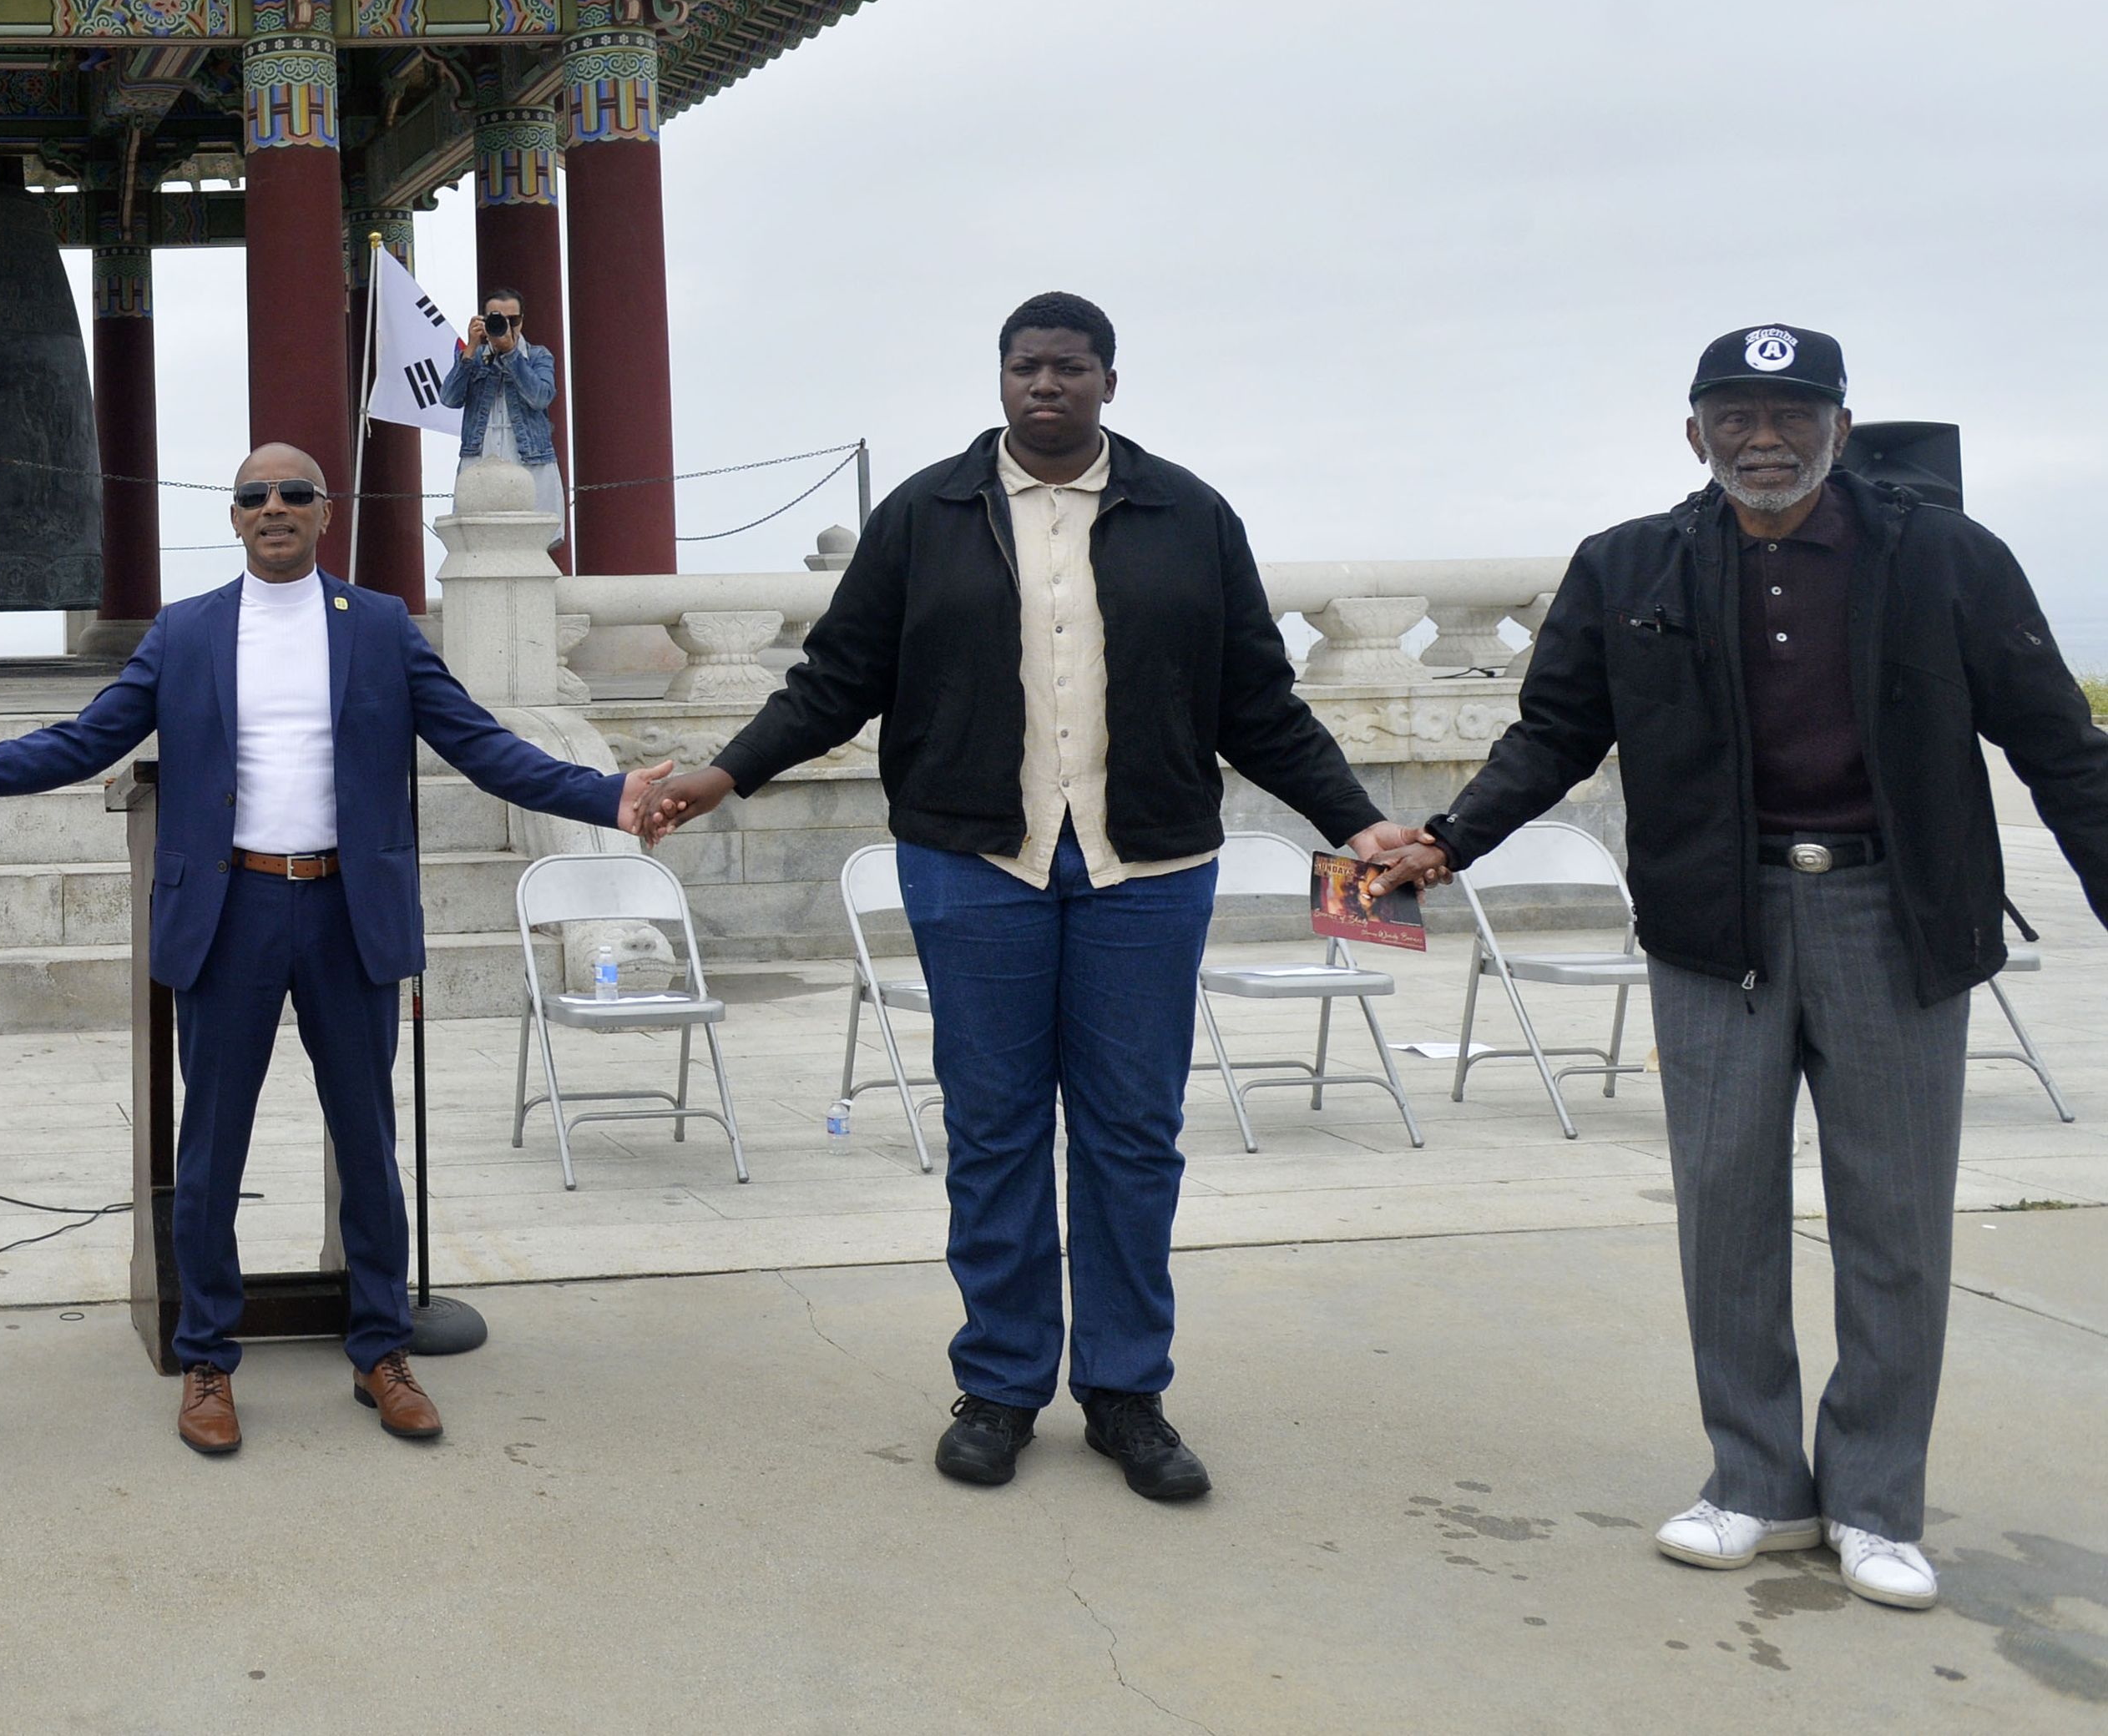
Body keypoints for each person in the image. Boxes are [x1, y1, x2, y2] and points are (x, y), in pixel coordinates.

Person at [1367, 328, 2108, 1611]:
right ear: (1693, 432)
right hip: (1719, 924)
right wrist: (1447, 842)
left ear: (1840, 423)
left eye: (1790, 413)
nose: (1763, 438)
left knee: (1896, 1220)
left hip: (1895, 914)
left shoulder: (1944, 555)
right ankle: (1756, 1482)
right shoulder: (1631, 564)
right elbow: (1554, 733)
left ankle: (1876, 1501)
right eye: (1735, 415)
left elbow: (2059, 740)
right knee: (1726, 1209)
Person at [650, 295, 1423, 1501]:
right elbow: (837, 678)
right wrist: (722, 771)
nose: (1045, 385)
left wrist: (1354, 820)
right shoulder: (926, 513)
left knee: (1130, 1134)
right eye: (1025, 367)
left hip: (1147, 869)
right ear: (999, 379)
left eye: (1069, 367)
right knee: (997, 1130)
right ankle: (1002, 1383)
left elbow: (1258, 702)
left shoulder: (1189, 515)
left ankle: (1126, 1392)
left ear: (1111, 380)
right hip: (974, 864)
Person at [0, 443, 670, 1454]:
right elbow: (85, 741)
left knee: (366, 1146)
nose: (274, 508)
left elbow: (481, 744)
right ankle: (206, 1356)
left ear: (324, 511)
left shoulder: (380, 628)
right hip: (232, 911)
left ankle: (379, 1349)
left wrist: (605, 795)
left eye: (293, 493)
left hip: (347, 912)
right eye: (254, 496)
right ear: (233, 517)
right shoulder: (188, 631)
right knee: (209, 1151)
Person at [438, 290, 563, 543]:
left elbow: (540, 397)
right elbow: (449, 398)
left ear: (522, 321)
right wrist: (470, 349)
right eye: (497, 319)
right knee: (477, 541)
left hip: (529, 459)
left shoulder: (538, 356)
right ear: (483, 320)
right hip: (480, 456)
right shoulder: (473, 358)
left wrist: (511, 355)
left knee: (534, 541)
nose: (506, 326)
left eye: (513, 320)